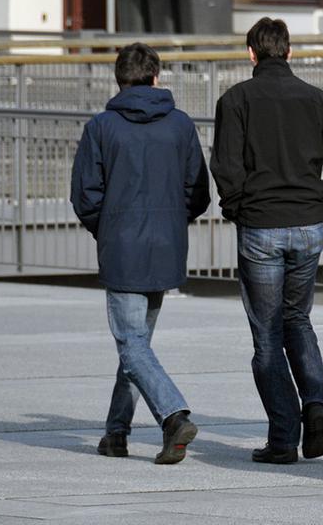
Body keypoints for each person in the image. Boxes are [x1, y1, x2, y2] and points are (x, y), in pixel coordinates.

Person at [211, 18, 323, 464]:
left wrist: (237, 206)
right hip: (307, 224)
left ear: (251, 53)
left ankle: (283, 438)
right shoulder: (319, 100)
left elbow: (227, 166)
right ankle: (315, 408)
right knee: (299, 319)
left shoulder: (235, 100)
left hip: (260, 225)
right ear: (289, 52)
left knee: (268, 335)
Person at [71, 43, 210, 465]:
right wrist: (171, 222)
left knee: (132, 346)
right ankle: (116, 432)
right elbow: (198, 192)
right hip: (166, 246)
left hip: (124, 247)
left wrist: (109, 227)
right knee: (138, 345)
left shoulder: (101, 127)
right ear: (156, 77)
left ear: (119, 80)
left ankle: (173, 415)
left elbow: (84, 196)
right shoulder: (181, 125)